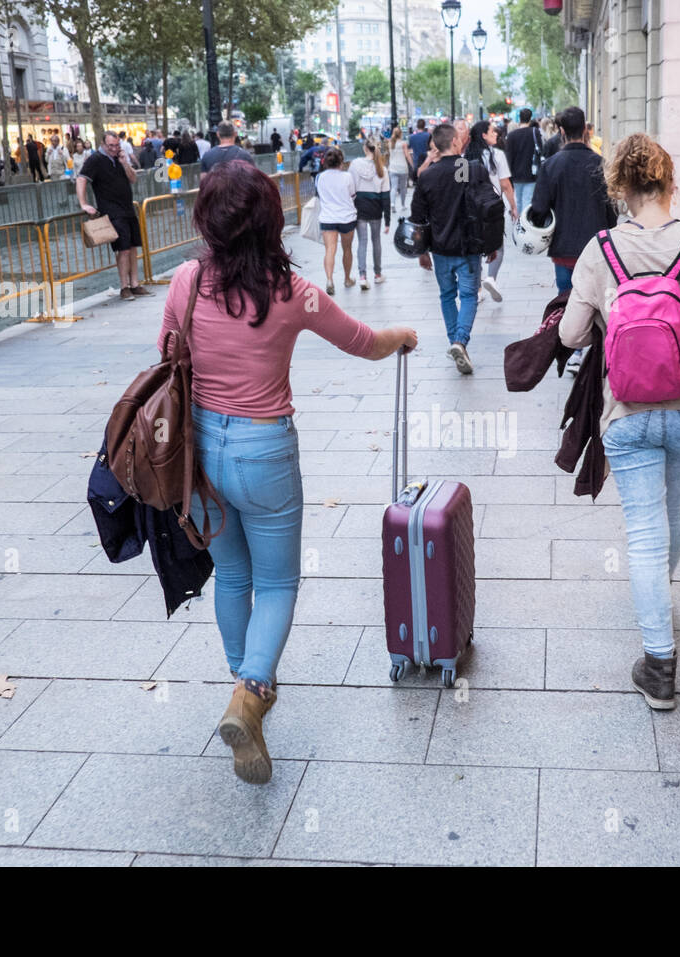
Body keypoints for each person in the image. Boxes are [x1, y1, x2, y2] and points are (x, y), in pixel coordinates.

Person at [162, 160, 417, 785]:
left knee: (233, 574)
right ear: (272, 220)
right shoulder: (291, 291)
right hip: (265, 451)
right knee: (276, 584)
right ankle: (250, 692)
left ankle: (245, 686)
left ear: (208, 218)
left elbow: (167, 359)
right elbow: (362, 341)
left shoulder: (187, 281)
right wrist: (401, 335)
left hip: (198, 455)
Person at [559, 132, 680, 711]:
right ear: (670, 181)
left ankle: (659, 665)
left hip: (627, 415)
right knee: (673, 510)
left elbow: (567, 335)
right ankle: (659, 595)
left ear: (619, 188)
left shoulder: (601, 249)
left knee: (643, 530)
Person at [411, 123, 484, 375]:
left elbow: (417, 218)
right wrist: (492, 243)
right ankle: (459, 341)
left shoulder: (427, 175)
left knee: (446, 296)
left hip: (439, 248)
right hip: (466, 246)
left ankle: (456, 342)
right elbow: (476, 203)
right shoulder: (464, 168)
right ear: (454, 142)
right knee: (469, 295)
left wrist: (421, 251)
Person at [528, 106, 617, 295]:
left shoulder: (551, 166)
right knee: (596, 301)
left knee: (565, 301)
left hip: (563, 248)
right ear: (585, 129)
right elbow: (612, 210)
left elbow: (539, 208)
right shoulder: (600, 164)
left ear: (562, 131)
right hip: (596, 247)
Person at [77, 131, 147, 301]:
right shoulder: (95, 159)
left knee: (132, 246)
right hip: (111, 210)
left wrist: (124, 163)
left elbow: (132, 179)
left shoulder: (119, 158)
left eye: (117, 145)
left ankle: (134, 283)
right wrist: (83, 203)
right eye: (111, 146)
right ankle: (124, 286)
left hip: (128, 207)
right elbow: (81, 179)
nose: (115, 149)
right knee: (122, 248)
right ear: (103, 144)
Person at [466, 119, 517, 302]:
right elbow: (505, 184)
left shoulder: (465, 157)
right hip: (493, 207)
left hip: (471, 209)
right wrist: (513, 206)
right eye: (492, 131)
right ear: (484, 135)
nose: (496, 134)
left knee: (475, 247)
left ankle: (477, 288)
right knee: (497, 245)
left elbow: (459, 184)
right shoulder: (497, 155)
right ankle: (491, 278)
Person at [349, 137, 391, 289]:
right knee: (376, 241)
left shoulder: (354, 165)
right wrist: (387, 220)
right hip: (376, 209)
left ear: (365, 148)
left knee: (362, 242)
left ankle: (362, 276)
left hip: (359, 208)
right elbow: (386, 196)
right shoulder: (382, 169)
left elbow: (350, 188)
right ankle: (378, 275)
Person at [314, 148, 357, 295]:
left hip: (327, 218)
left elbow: (319, 195)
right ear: (341, 161)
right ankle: (347, 278)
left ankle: (329, 280)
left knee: (330, 250)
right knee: (347, 249)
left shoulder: (319, 177)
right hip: (346, 217)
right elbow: (353, 195)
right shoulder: (347, 177)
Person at [504, 107, 543, 215]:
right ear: (530, 118)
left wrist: (508, 176)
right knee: (527, 199)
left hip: (516, 173)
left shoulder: (511, 136)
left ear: (519, 118)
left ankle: (520, 224)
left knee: (519, 200)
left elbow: (509, 157)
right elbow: (540, 151)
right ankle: (524, 225)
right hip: (531, 172)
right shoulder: (535, 133)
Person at [387, 126, 409, 213]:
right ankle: (403, 205)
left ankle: (392, 204)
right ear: (400, 134)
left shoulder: (390, 143)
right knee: (403, 187)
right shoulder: (403, 143)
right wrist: (412, 164)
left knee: (394, 187)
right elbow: (407, 155)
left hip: (393, 168)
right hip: (403, 168)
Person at [407, 118, 430, 184]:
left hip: (416, 161)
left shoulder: (411, 137)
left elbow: (408, 148)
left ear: (417, 126)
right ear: (424, 125)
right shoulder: (428, 136)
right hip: (427, 161)